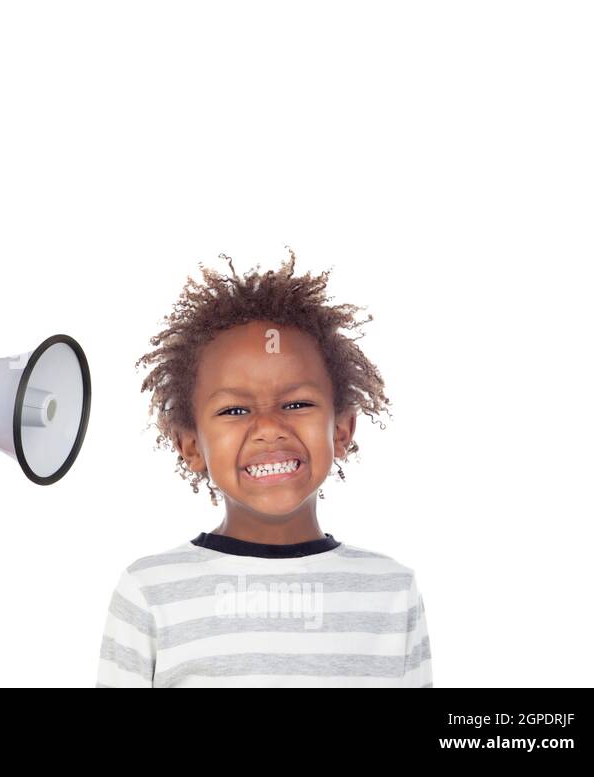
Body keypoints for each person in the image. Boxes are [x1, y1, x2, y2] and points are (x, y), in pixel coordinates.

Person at [98, 249, 431, 687]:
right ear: (191, 445)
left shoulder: (391, 591)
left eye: (297, 404)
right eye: (234, 410)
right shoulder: (149, 591)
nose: (269, 428)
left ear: (342, 430)